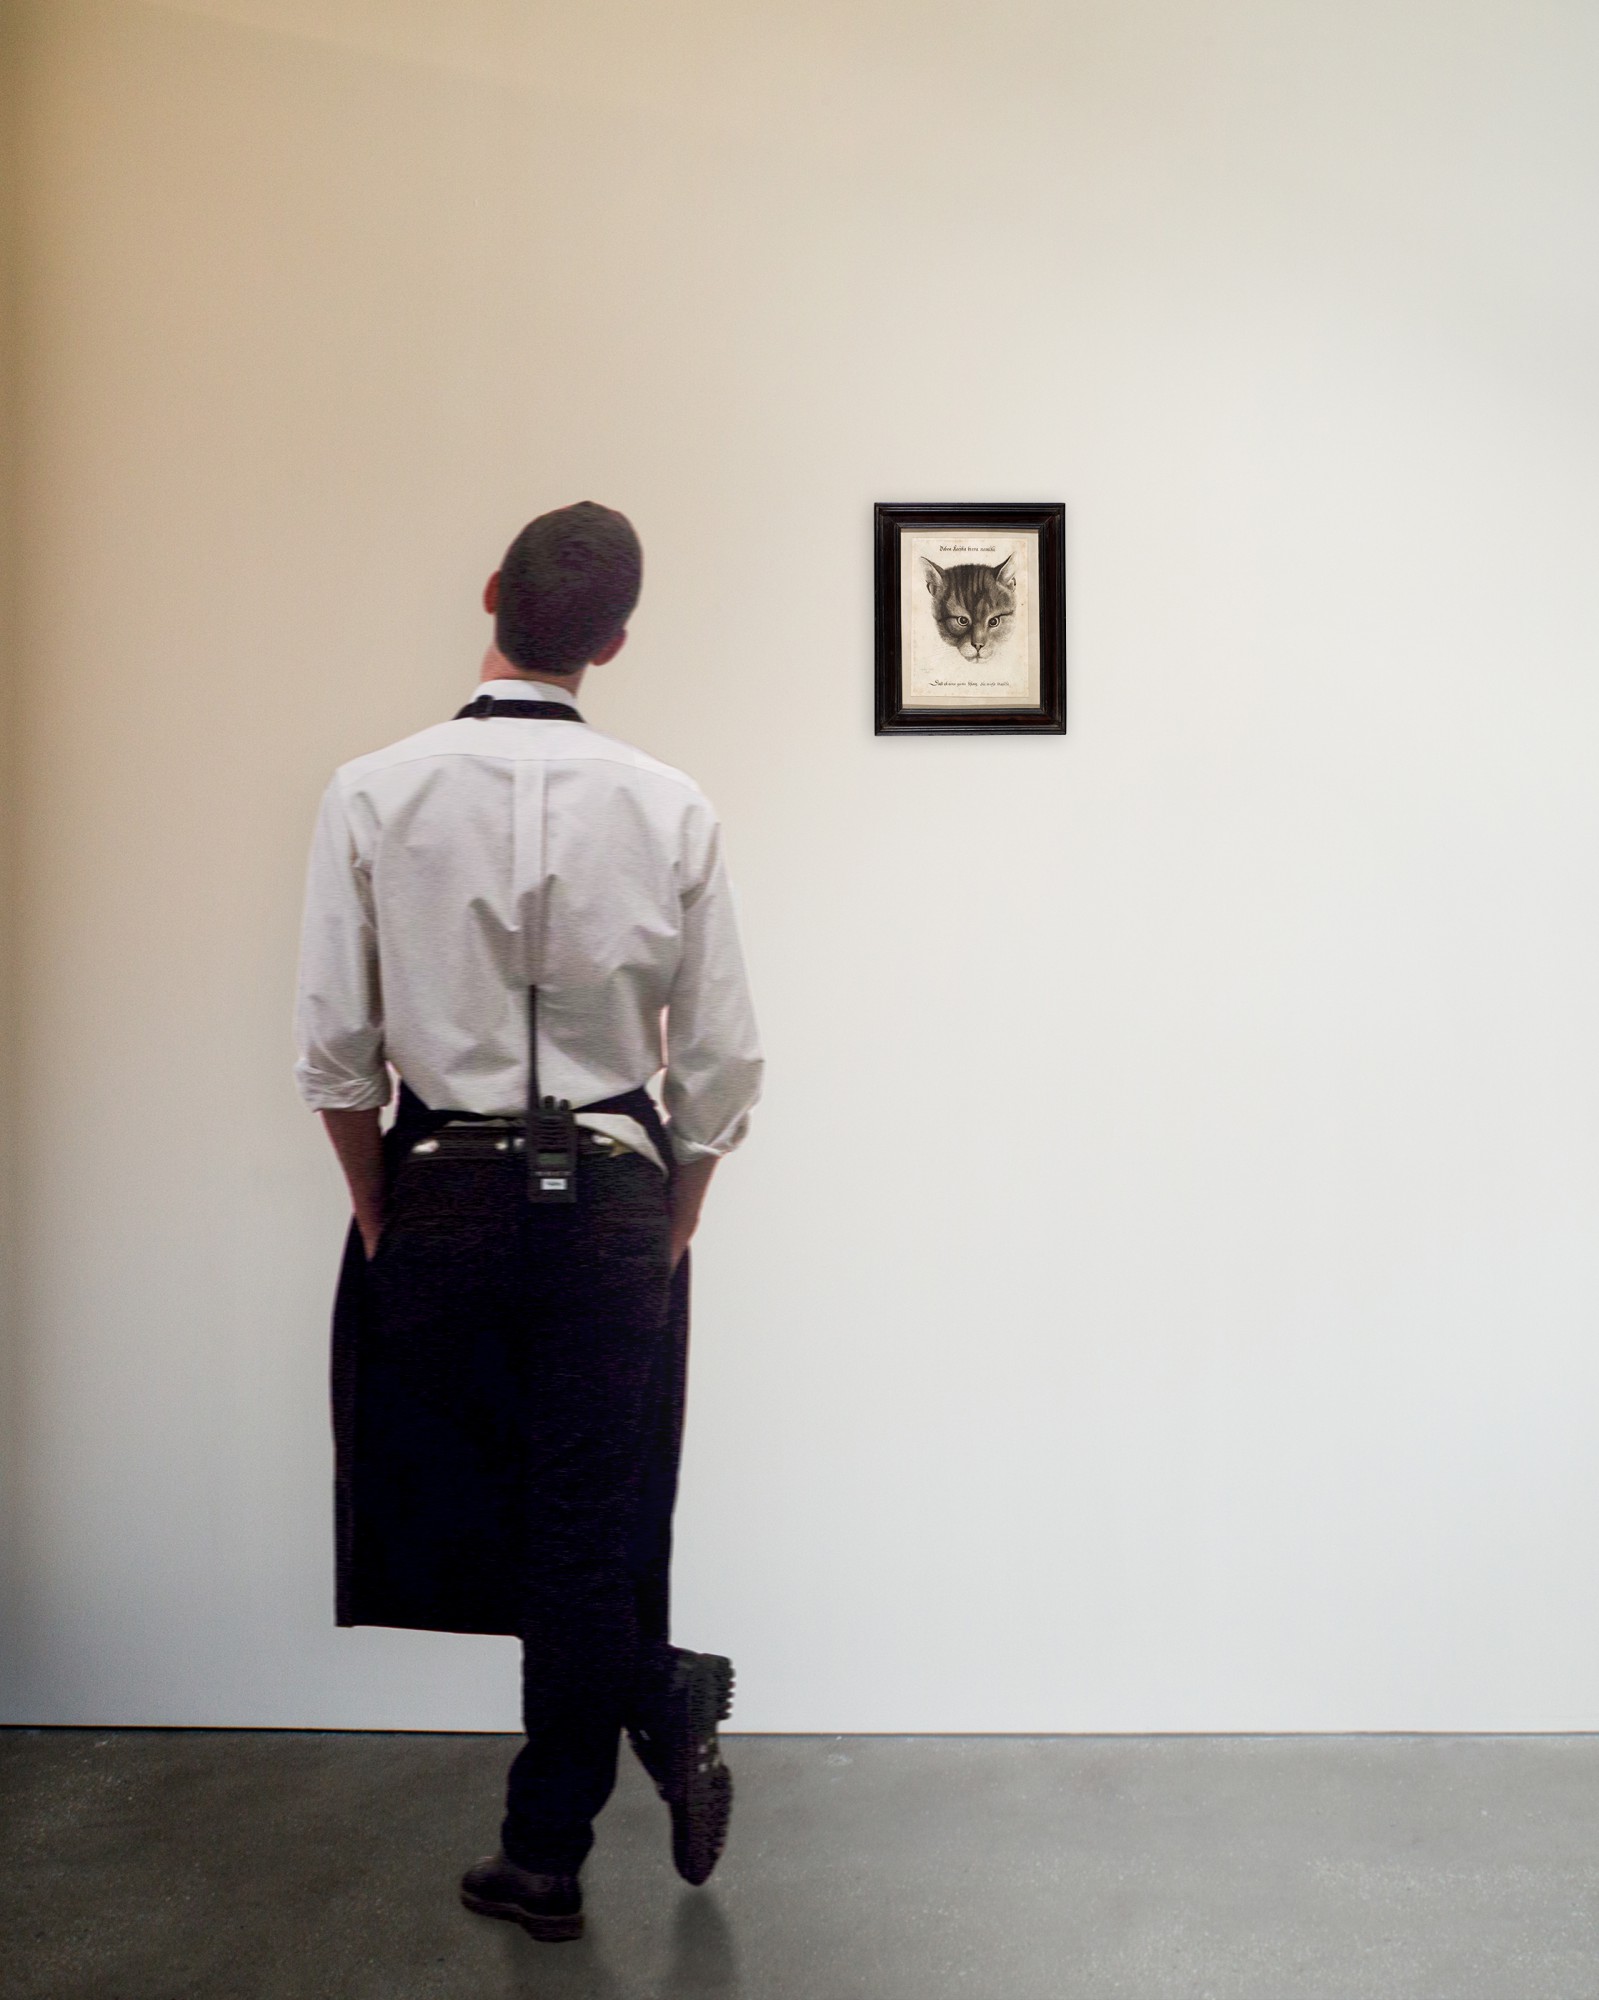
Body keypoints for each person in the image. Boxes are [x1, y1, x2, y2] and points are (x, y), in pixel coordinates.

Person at [292, 502, 763, 1942]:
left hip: (441, 1190)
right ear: (615, 643)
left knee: (470, 1496)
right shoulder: (670, 803)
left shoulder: (373, 791)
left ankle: (551, 1846)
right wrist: (676, 1212)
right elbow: (724, 1062)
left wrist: (376, 1195)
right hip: (618, 1202)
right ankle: (597, 1770)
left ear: (490, 592)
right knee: (576, 1520)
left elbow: (332, 1040)